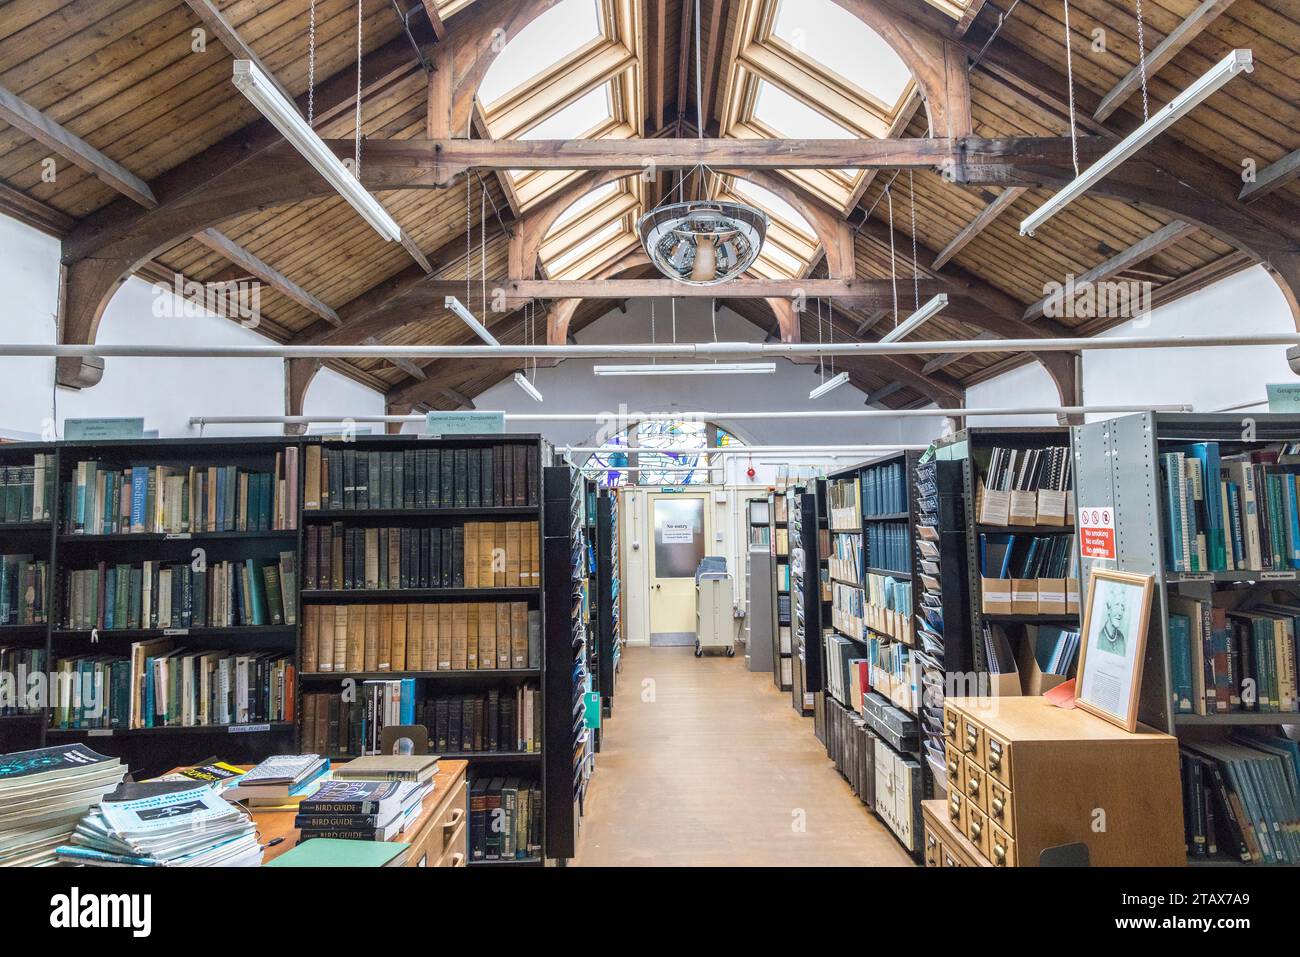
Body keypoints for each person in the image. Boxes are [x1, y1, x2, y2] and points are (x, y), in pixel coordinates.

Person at [1097, 588, 1128, 657]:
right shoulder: (1099, 638)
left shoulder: (1121, 638)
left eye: (1122, 608)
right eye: (1117, 605)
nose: (1120, 612)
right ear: (1109, 609)